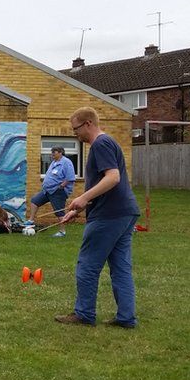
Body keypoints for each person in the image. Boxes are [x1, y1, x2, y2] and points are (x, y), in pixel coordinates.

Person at [55, 107, 140, 328]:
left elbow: (113, 178)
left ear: (88, 124)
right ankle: (126, 318)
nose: (76, 134)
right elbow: (104, 186)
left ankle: (84, 314)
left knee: (88, 265)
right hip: (124, 212)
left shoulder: (100, 144)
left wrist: (82, 198)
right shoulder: (107, 143)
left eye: (76, 129)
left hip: (109, 215)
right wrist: (78, 209)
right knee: (121, 267)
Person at [30, 145, 77, 237]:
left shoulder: (66, 162)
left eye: (54, 152)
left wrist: (62, 186)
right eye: (51, 152)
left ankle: (62, 231)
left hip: (58, 191)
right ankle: (31, 221)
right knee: (34, 201)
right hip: (47, 190)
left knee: (59, 212)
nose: (52, 154)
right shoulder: (54, 162)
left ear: (60, 152)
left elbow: (70, 177)